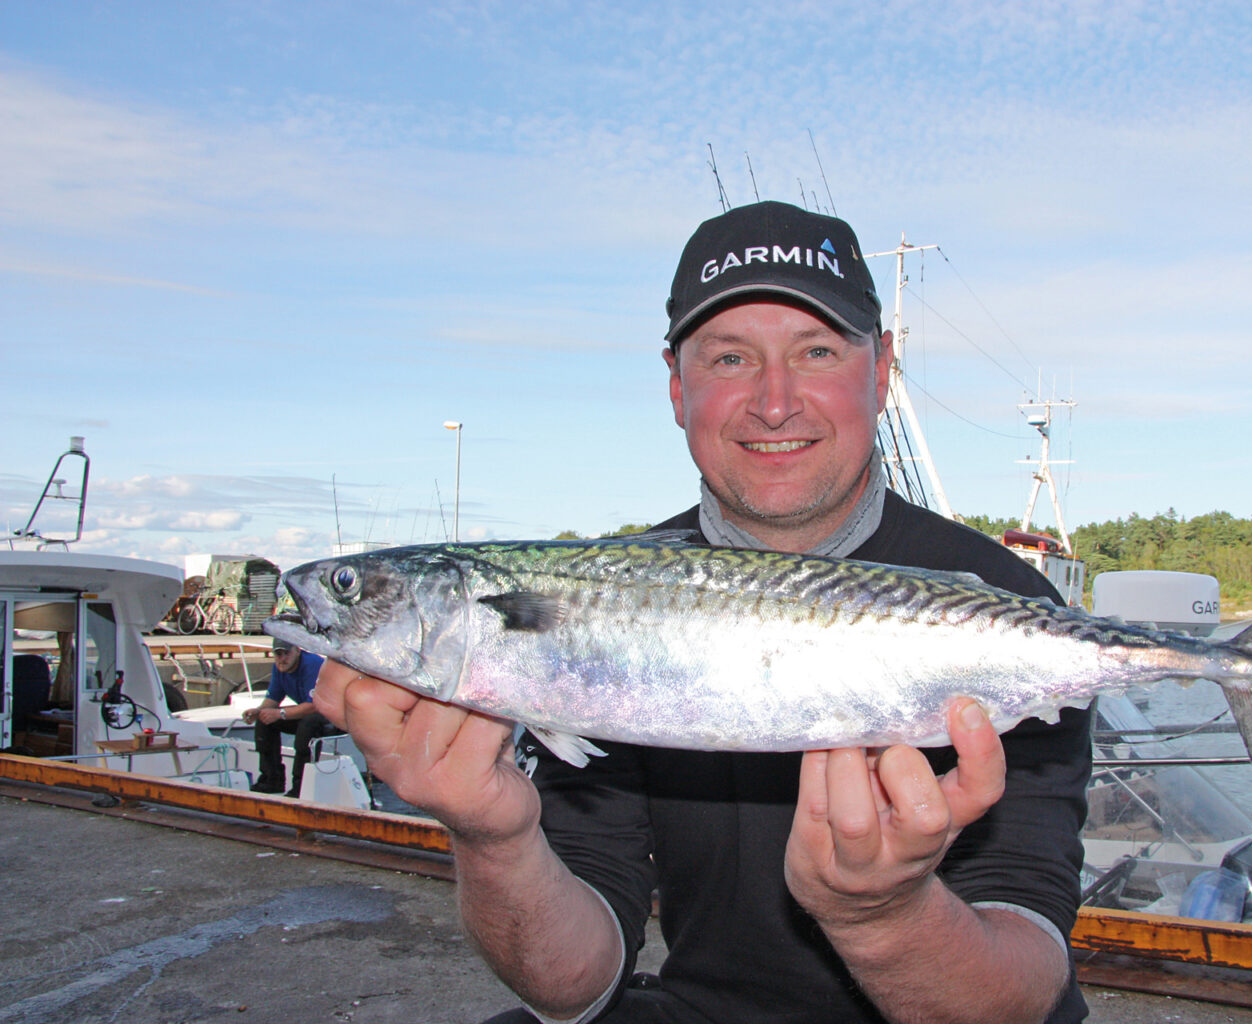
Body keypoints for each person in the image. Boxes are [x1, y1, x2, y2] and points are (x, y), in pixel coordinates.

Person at [315, 200, 1091, 1023]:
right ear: (677, 387)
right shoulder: (609, 605)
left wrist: (884, 917)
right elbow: (572, 985)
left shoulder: (1010, 612)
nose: (775, 403)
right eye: (729, 358)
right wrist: (493, 839)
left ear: (881, 370)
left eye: (817, 351)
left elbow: (1021, 991)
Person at [245, 638, 334, 796]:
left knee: (308, 725)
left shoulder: (312, 664)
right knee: (265, 719)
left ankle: (300, 787)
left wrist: (280, 714)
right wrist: (257, 712)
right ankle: (271, 780)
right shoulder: (279, 668)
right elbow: (273, 699)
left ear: (297, 651)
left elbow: (314, 705)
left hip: (335, 717)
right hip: (311, 713)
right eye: (278, 654)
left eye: (287, 653)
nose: (282, 659)